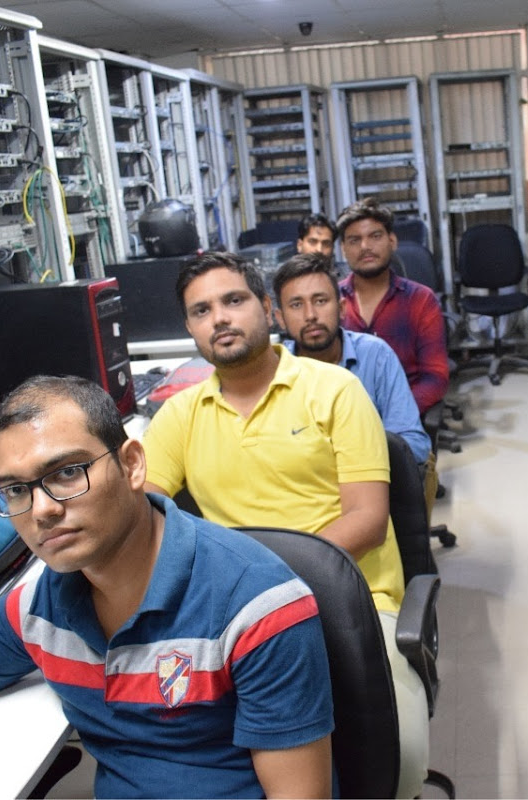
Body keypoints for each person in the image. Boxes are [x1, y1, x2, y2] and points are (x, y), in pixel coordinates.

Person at [0, 376, 334, 800]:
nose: (42, 510)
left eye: (66, 473)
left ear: (132, 465)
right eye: (16, 490)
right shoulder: (43, 605)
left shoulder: (257, 607)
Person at [142, 251, 429, 799]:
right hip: (237, 617)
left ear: (267, 309)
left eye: (233, 300)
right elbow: (143, 520)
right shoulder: (180, 414)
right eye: (202, 310)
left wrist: (269, 586)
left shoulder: (335, 390)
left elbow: (367, 520)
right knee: (206, 759)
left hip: (353, 600)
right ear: (190, 328)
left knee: (400, 764)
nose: (219, 318)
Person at [272, 252, 438, 515]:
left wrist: (342, 466)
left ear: (342, 308)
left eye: (320, 301)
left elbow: (413, 445)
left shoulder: (376, 355)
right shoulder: (273, 372)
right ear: (280, 318)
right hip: (301, 504)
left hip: (375, 493)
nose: (310, 315)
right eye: (296, 305)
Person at [336, 199, 449, 416]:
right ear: (343, 249)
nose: (365, 246)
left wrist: (394, 416)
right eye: (354, 240)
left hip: (401, 421)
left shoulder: (421, 300)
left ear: (392, 241)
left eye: (375, 236)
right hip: (345, 419)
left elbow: (435, 378)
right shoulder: (330, 301)